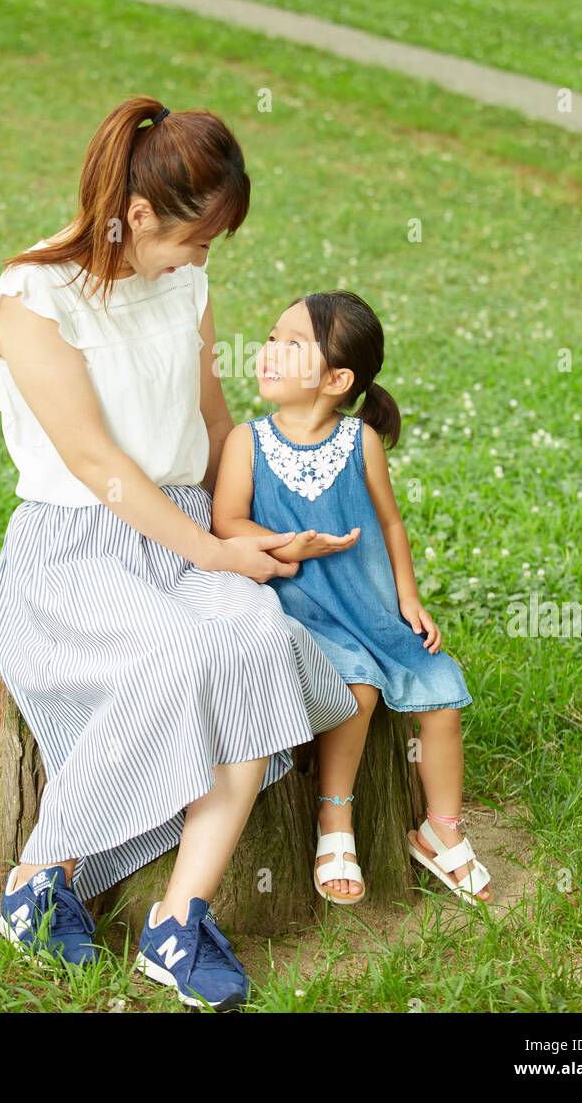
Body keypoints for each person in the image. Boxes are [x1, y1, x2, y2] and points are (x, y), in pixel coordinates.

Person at [0, 96, 359, 1011]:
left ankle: (178, 923)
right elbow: (99, 466)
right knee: (175, 658)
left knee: (255, 643)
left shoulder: (184, 286)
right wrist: (211, 554)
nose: (204, 259)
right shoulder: (31, 301)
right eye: (200, 238)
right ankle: (37, 877)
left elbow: (213, 418)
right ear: (139, 215)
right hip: (79, 547)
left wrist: (239, 528)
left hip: (186, 530)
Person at [211, 290, 493, 908]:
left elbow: (391, 524)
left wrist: (410, 598)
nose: (270, 353)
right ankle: (335, 819)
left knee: (441, 691)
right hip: (301, 608)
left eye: (292, 345)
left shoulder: (359, 442)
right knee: (357, 688)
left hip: (367, 603)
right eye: (271, 337)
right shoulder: (246, 442)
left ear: (337, 379)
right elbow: (228, 522)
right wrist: (290, 543)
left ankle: (440, 830)